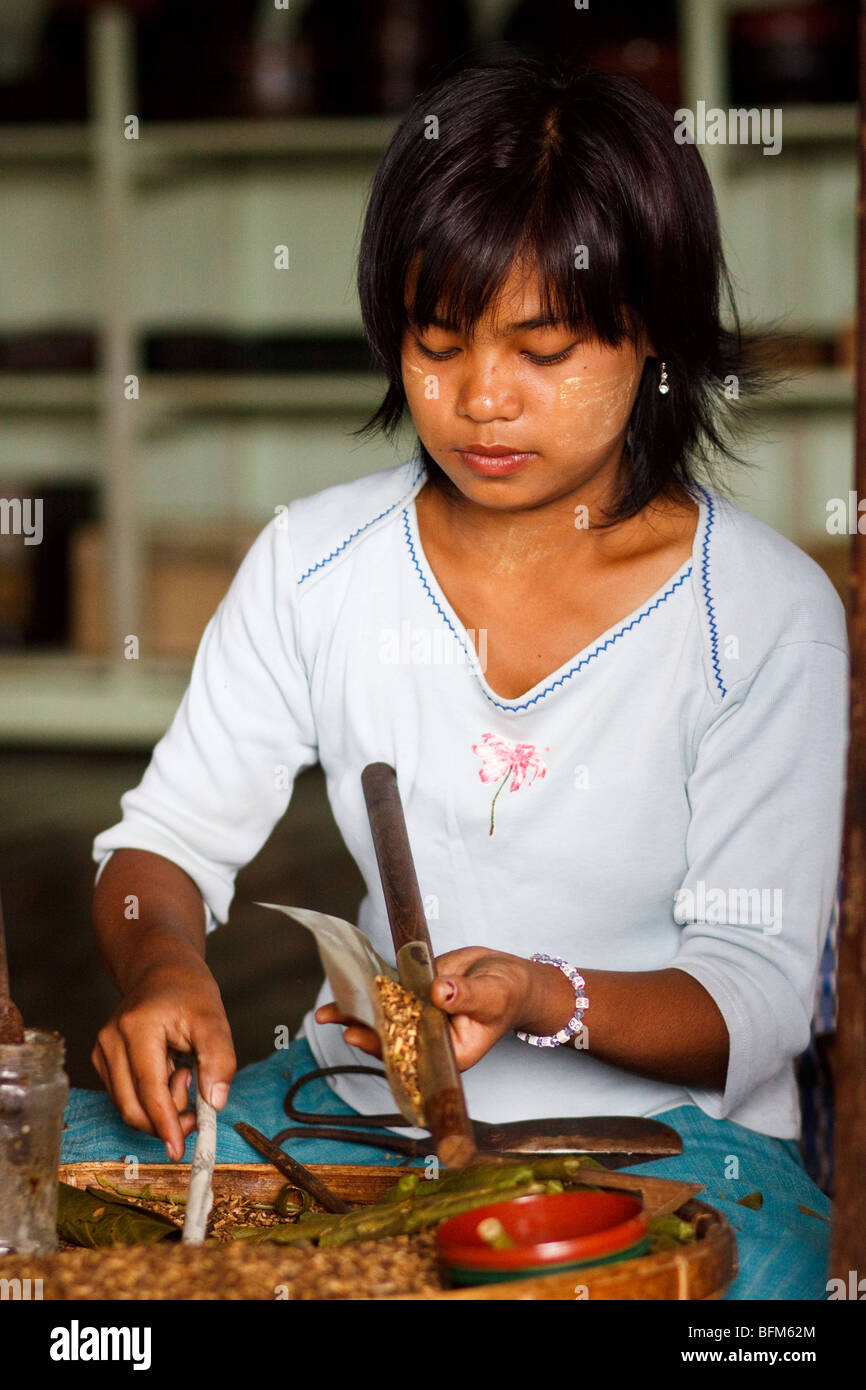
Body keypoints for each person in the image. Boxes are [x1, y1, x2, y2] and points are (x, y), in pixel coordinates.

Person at [63, 59, 848, 1300]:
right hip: (359, 1121)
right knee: (58, 1180)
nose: (480, 399)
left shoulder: (755, 614)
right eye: (438, 343)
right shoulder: (317, 564)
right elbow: (158, 845)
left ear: (652, 337)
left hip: (672, 1145)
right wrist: (165, 970)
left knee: (752, 1291)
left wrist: (543, 993)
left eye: (542, 351)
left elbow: (752, 999)